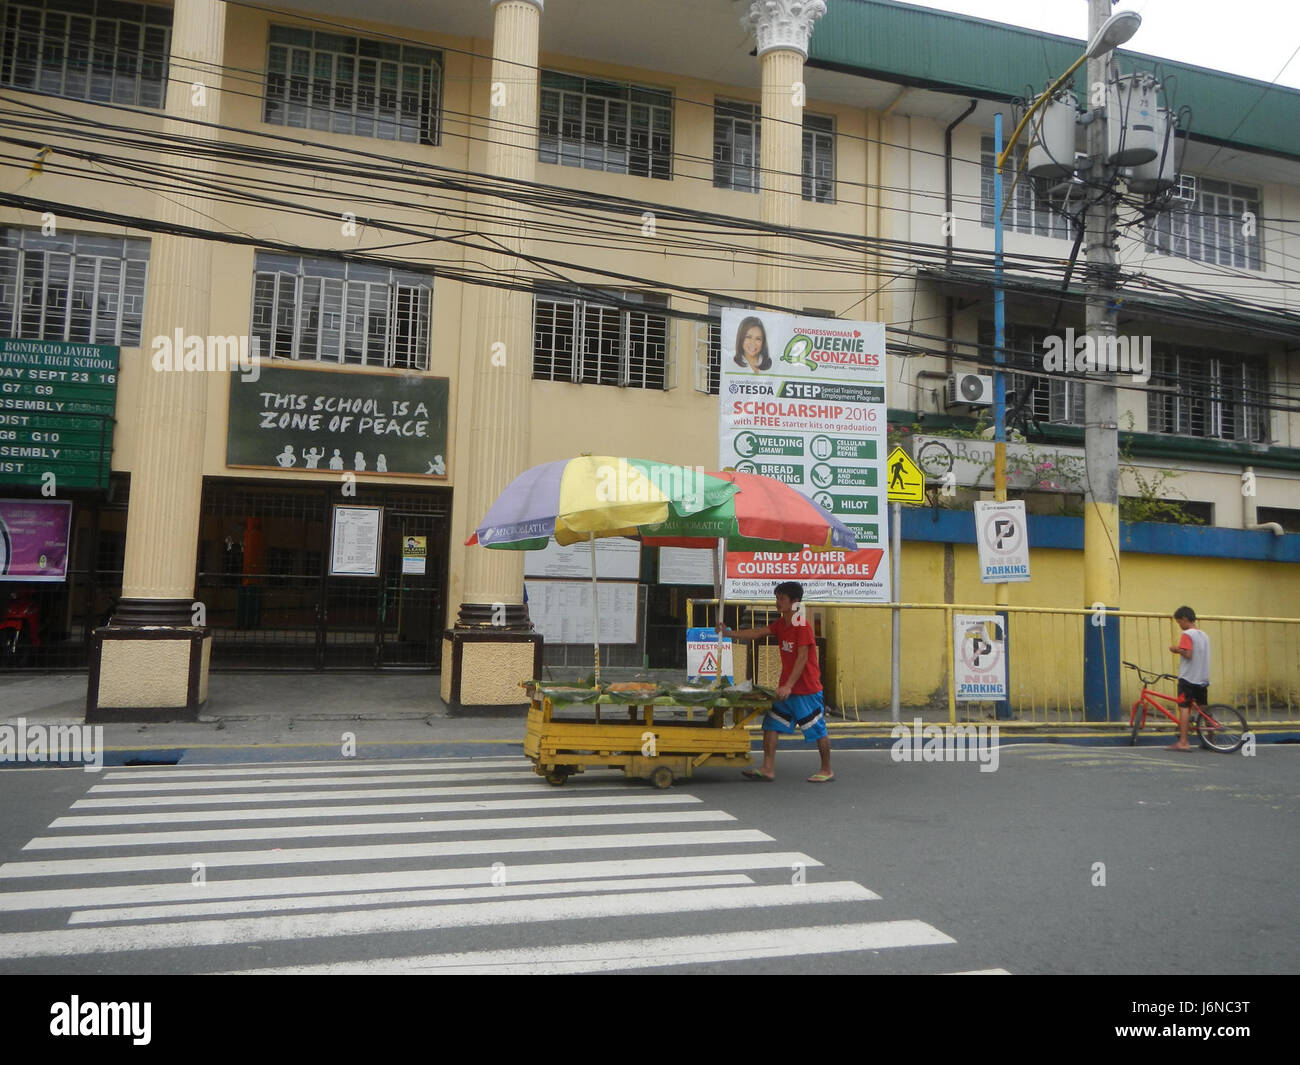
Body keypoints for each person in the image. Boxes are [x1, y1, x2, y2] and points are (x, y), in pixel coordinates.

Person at [718, 581, 833, 782]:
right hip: (785, 691)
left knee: (817, 729)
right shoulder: (781, 624)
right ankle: (768, 768)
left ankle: (826, 769)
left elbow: (802, 657)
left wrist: (789, 685)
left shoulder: (802, 625)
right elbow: (757, 633)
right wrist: (728, 633)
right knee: (771, 725)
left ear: (794, 602)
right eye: (777, 598)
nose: (777, 602)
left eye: (782, 599)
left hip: (806, 690)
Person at [1168, 605, 1210, 751]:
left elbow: (1188, 654)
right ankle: (1210, 740)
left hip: (1188, 678)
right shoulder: (1204, 635)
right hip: (1202, 678)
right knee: (1204, 709)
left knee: (1184, 708)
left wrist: (1175, 649)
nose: (1179, 625)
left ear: (1185, 619)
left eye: (1179, 622)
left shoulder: (1187, 635)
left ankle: (1183, 742)